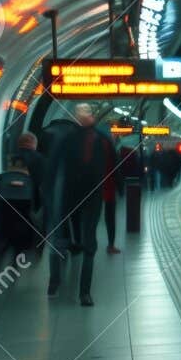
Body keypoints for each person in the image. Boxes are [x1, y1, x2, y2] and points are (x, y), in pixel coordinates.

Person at [50, 103, 116, 306]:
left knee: (88, 244)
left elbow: (113, 167)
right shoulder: (73, 139)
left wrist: (114, 190)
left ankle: (84, 292)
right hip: (73, 197)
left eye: (85, 112)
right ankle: (55, 281)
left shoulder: (94, 139)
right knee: (64, 239)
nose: (83, 116)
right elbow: (53, 167)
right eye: (80, 113)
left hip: (88, 197)